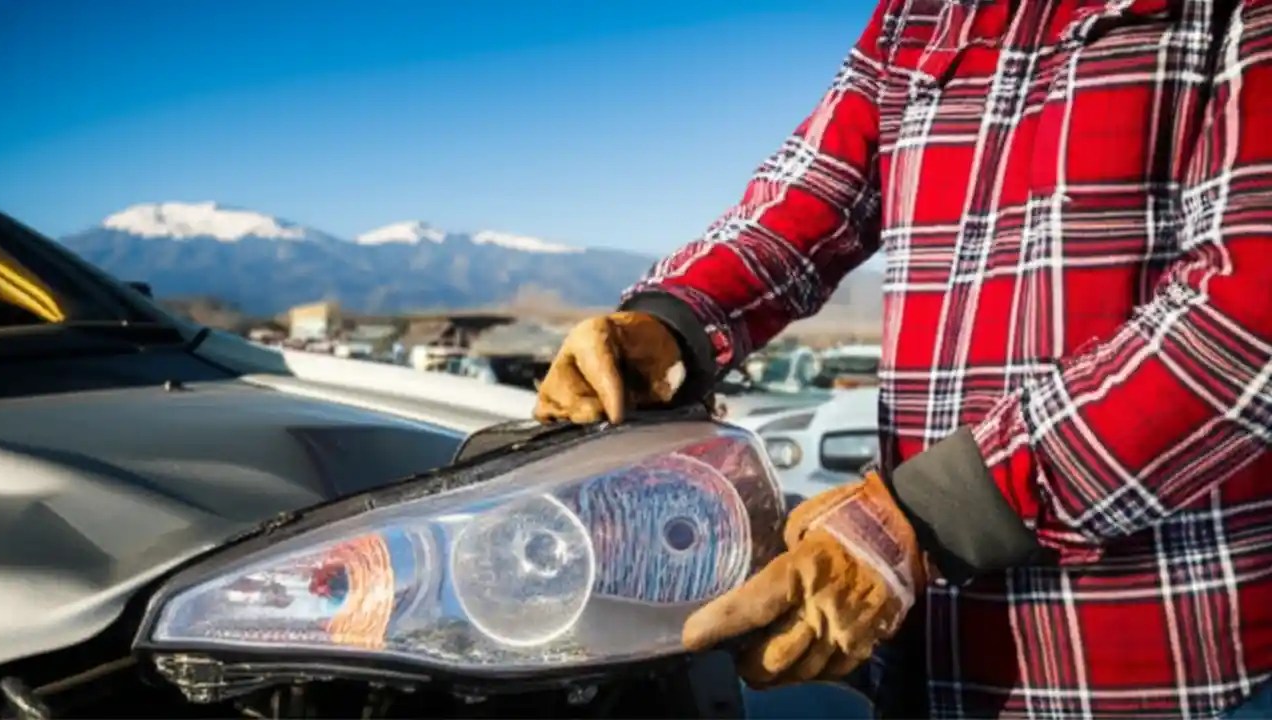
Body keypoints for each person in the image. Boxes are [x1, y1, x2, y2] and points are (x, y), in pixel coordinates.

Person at [533, 0, 1272, 717]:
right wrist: (671, 323)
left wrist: (931, 518)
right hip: (924, 656)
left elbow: (1244, 328)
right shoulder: (917, 15)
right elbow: (808, 199)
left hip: (1152, 665)